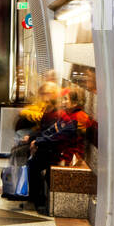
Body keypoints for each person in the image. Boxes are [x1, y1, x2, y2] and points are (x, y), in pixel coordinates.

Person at [27, 85, 92, 214]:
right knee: (34, 159)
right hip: (58, 150)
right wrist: (36, 140)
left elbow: (59, 136)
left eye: (66, 99)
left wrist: (38, 142)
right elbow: (52, 130)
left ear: (74, 102)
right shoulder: (67, 115)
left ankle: (37, 201)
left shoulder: (77, 118)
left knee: (35, 163)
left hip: (67, 156)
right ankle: (36, 198)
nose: (62, 102)